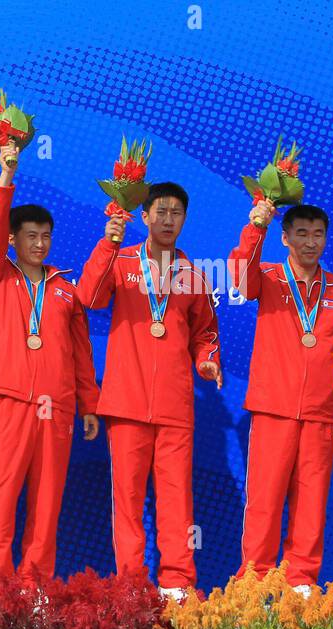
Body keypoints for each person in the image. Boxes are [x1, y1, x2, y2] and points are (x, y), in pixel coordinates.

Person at [230, 200, 333, 591]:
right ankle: (255, 583)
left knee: (312, 503)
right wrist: (256, 227)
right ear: (286, 238)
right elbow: (239, 278)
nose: (311, 242)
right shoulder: (268, 277)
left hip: (319, 415)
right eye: (302, 233)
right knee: (264, 502)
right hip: (272, 410)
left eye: (318, 234)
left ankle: (300, 582)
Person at [78, 183, 222, 597]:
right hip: (126, 402)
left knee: (177, 499)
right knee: (128, 501)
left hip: (175, 406)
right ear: (144, 216)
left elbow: (205, 332)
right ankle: (132, 586)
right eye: (160, 211)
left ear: (184, 219)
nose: (168, 219)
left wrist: (206, 360)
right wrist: (106, 244)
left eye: (176, 212)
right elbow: (89, 296)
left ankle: (177, 583)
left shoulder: (193, 275)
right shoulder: (122, 261)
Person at [0, 140, 100, 582]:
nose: (40, 244)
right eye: (31, 236)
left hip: (56, 406)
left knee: (47, 504)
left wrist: (89, 404)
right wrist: (6, 177)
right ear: (14, 239)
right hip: (10, 401)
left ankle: (35, 587)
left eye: (46, 237)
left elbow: (81, 352)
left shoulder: (66, 289)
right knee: (0, 500)